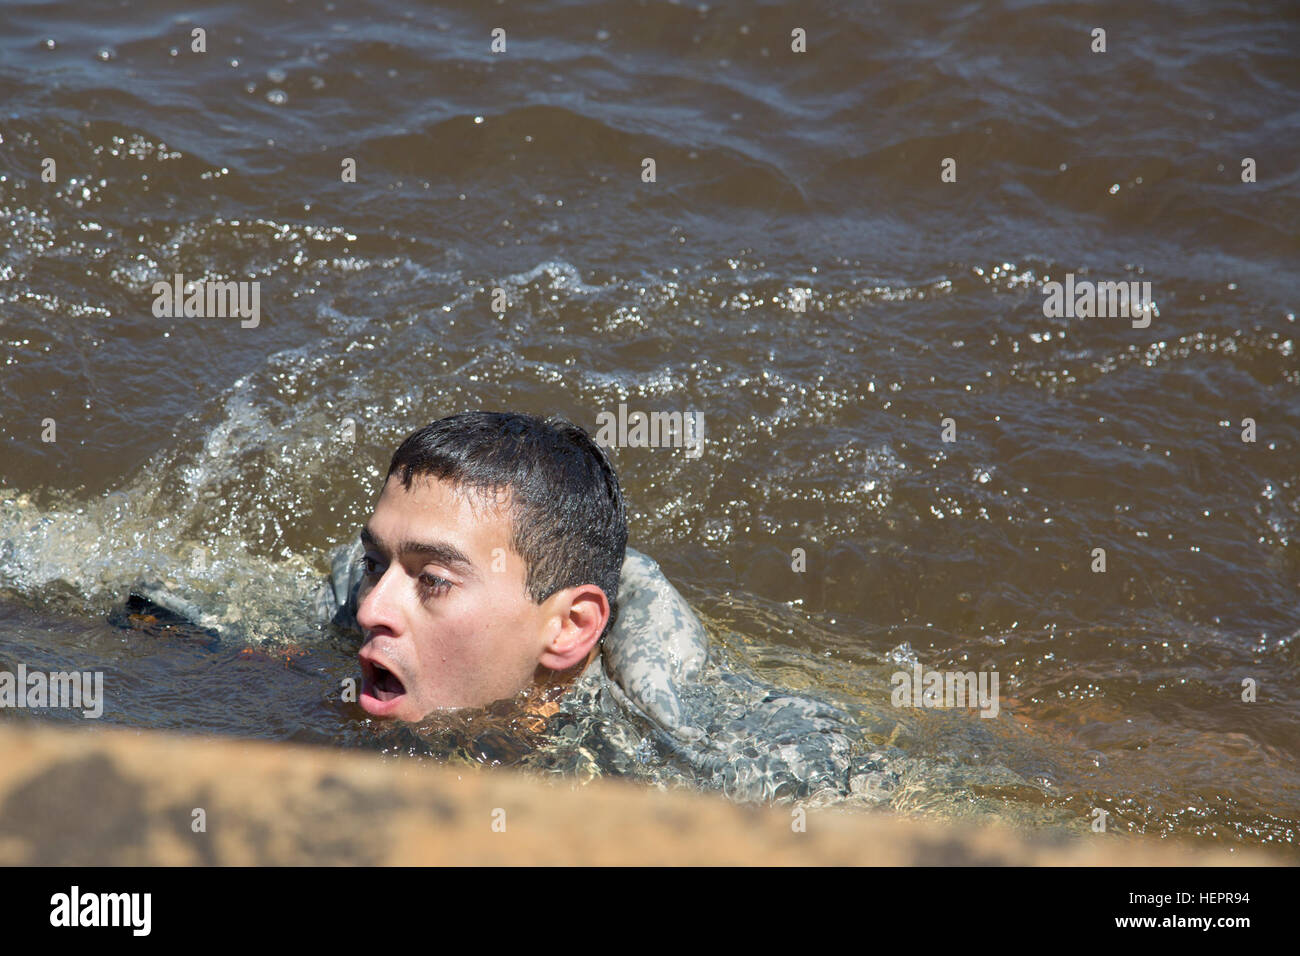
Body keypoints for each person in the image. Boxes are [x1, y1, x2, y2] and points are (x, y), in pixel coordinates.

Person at [318, 411, 896, 803]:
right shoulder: (349, 605)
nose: (374, 609)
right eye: (378, 564)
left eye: (434, 581)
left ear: (568, 628)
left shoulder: (685, 763)